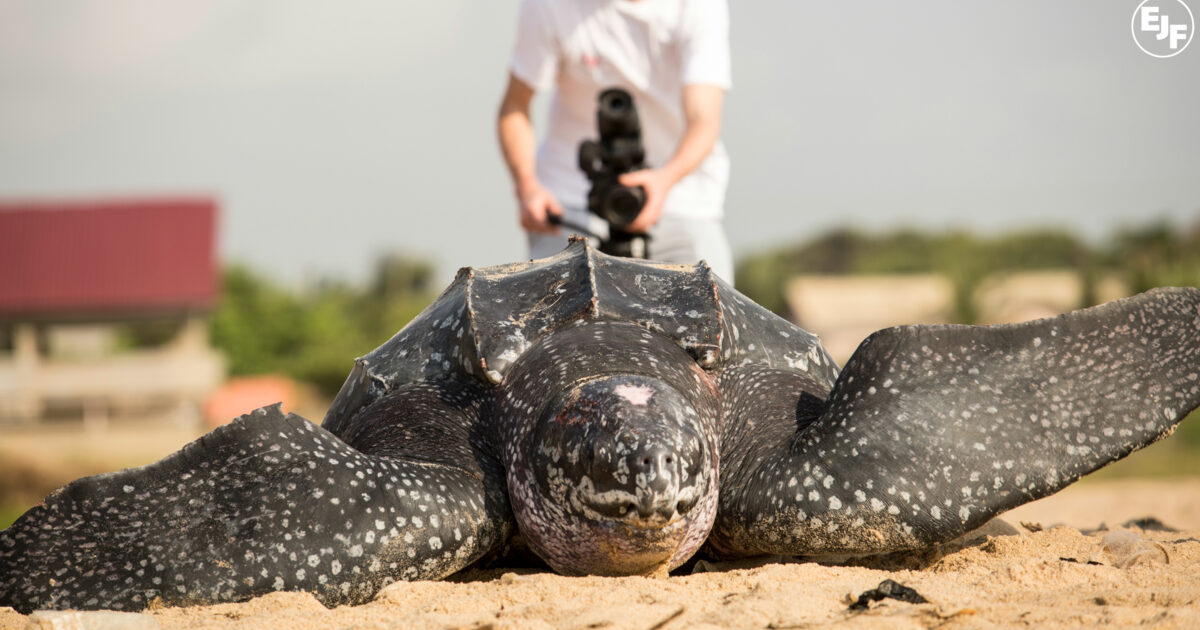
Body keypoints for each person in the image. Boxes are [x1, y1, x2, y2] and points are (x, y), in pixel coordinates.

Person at [497, 0, 735, 281]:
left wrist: (665, 180)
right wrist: (528, 187)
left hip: (678, 196)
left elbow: (704, 120)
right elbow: (515, 108)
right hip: (568, 201)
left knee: (713, 313)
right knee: (551, 316)